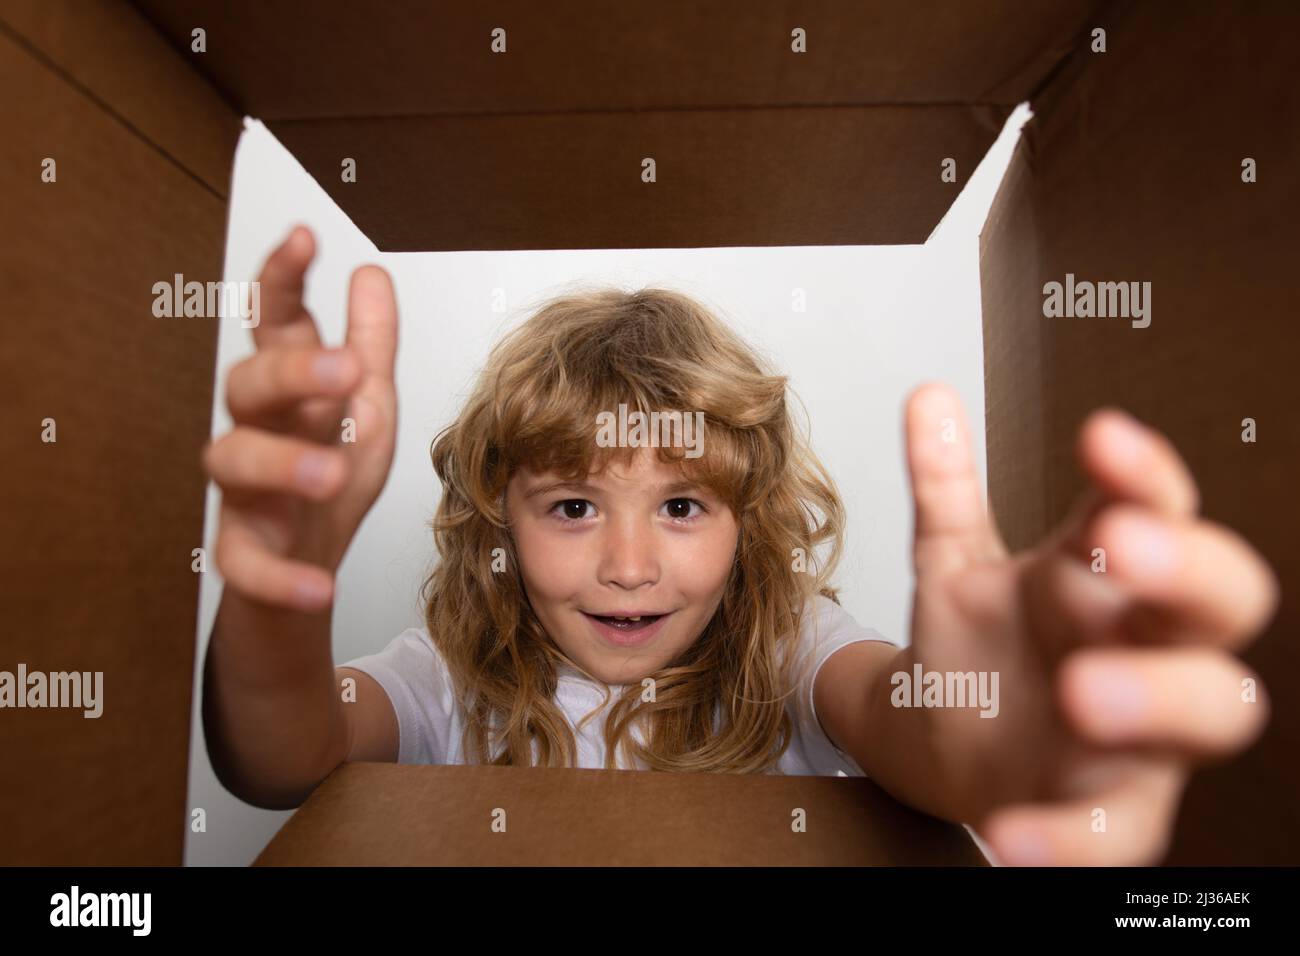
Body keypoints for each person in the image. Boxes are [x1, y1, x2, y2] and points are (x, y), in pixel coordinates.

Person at [201, 226, 1278, 866]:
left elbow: (902, 715)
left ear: (746, 516)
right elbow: (278, 759)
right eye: (573, 506)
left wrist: (988, 721)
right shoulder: (452, 674)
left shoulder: (787, 644)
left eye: (681, 506)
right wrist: (279, 590)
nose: (629, 565)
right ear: (499, 517)